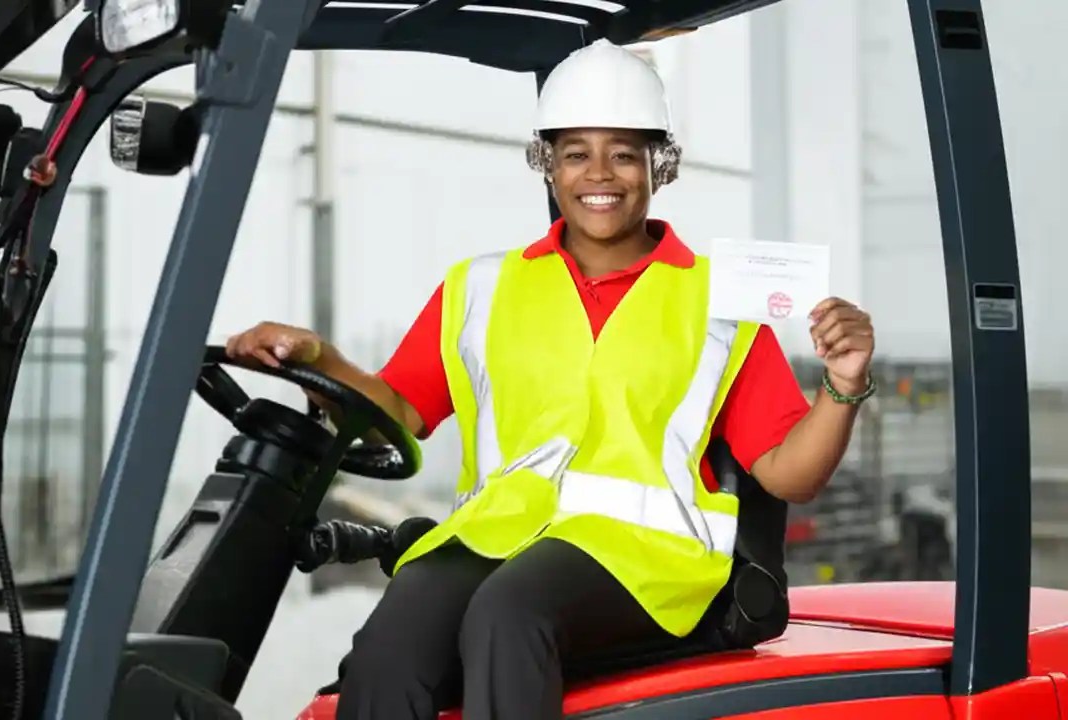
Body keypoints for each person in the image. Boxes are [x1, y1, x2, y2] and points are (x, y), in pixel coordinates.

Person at [227, 38, 876, 720]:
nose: (599, 174)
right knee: (390, 648)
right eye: (575, 153)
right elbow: (397, 411)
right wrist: (318, 359)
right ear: (547, 165)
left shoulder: (720, 303)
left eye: (623, 153)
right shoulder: (479, 288)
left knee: (509, 614)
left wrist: (843, 383)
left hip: (645, 554)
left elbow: (788, 475)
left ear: (658, 164)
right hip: (498, 533)